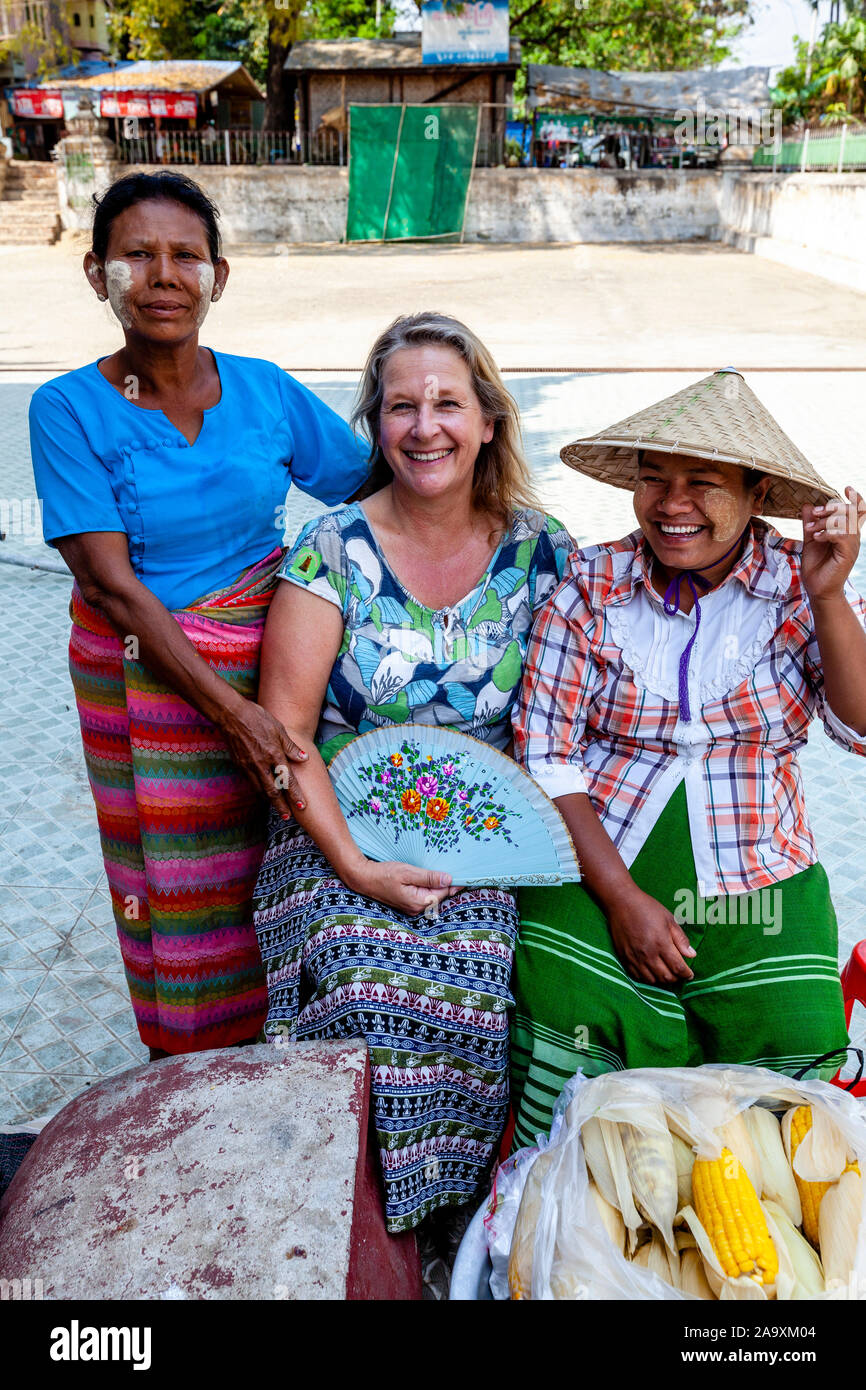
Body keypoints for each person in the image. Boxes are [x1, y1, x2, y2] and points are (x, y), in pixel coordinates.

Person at [28, 171, 369, 1059]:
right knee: (176, 888)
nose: (163, 275)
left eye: (186, 255)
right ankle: (192, 1065)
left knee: (287, 856)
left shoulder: (263, 391)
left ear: (221, 276)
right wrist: (237, 717)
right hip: (146, 679)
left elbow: (372, 491)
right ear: (98, 272)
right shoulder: (66, 408)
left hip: (276, 667)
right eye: (137, 255)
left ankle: (294, 1049)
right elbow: (109, 586)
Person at [251, 312, 572, 1233]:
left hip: (487, 841)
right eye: (401, 406)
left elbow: (574, 707)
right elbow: (288, 735)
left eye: (447, 403)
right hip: (331, 833)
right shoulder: (333, 550)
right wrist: (353, 862)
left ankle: (453, 1217)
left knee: (485, 971)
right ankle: (350, 1219)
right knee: (361, 976)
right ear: (376, 423)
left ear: (488, 422)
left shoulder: (541, 551)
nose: (424, 426)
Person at [510, 369, 866, 1148]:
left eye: (702, 483)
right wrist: (624, 902)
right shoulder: (589, 586)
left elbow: (860, 726)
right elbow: (548, 754)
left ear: (757, 489)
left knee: (793, 1029)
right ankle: (566, 1179)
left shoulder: (798, 584)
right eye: (653, 480)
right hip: (594, 854)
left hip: (758, 868)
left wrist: (831, 596)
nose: (672, 505)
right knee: (570, 1001)